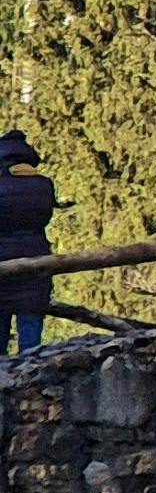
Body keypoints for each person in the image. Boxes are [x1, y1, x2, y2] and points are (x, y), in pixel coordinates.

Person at [0, 127, 53, 363]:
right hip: (36, 259)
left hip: (3, 262)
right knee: (30, 325)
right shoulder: (44, 185)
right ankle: (31, 373)